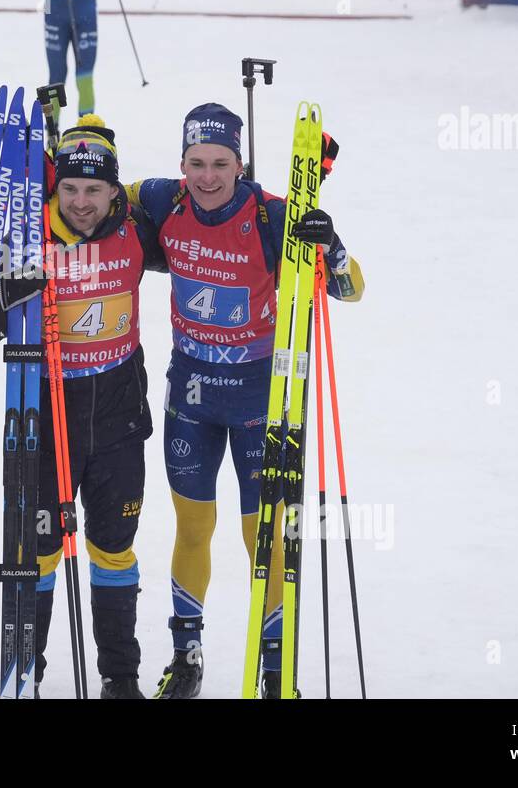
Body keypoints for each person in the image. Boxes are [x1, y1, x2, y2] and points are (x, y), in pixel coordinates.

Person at [125, 104, 365, 699]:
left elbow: (351, 287)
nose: (208, 176)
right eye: (197, 164)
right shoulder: (161, 201)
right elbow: (98, 196)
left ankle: (273, 663)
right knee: (192, 528)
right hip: (192, 394)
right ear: (182, 164)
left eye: (221, 164)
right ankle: (187, 655)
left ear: (240, 163)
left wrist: (329, 247)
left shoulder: (272, 217)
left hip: (263, 400)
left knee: (265, 536)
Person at [0, 115, 163, 698]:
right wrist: (0, 301)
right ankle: (28, 673)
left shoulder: (136, 233)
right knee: (40, 549)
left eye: (95, 190)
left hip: (120, 412)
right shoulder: (28, 240)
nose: (82, 202)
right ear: (55, 189)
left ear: (114, 192)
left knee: (114, 546)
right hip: (47, 412)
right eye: (71, 189)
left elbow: (206, 238)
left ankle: (121, 679)